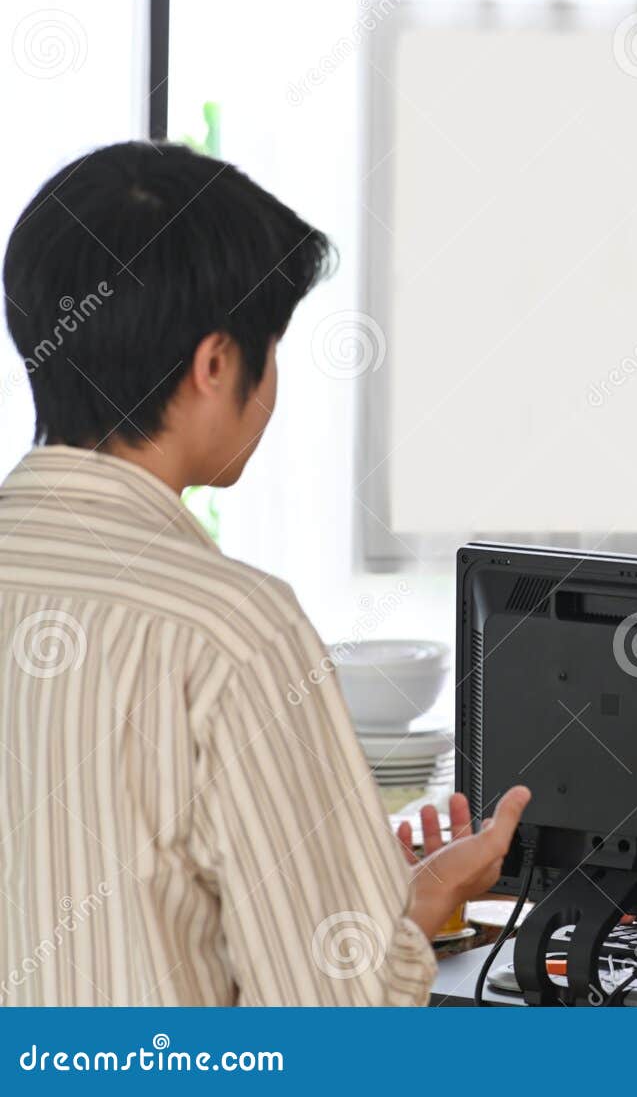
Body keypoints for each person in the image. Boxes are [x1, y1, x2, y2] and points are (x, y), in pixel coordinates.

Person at [0, 141, 529, 1005]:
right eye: (271, 348)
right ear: (214, 365)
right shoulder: (229, 629)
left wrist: (400, 898)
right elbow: (326, 1010)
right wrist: (409, 917)